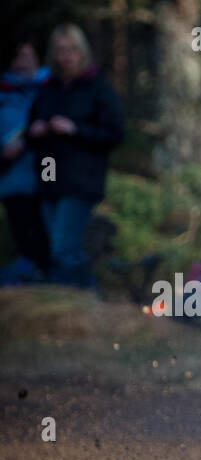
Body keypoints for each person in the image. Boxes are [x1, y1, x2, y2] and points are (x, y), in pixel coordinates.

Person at [26, 24, 123, 289]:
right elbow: (30, 127)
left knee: (64, 247)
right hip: (49, 178)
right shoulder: (47, 88)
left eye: (71, 50)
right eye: (60, 51)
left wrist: (76, 128)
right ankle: (75, 304)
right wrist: (34, 131)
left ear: (81, 52)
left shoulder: (97, 87)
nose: (66, 56)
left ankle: (84, 303)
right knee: (57, 248)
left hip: (81, 180)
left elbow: (115, 133)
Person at [0, 36, 50, 283]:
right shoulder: (3, 93)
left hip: (46, 174)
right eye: (19, 57)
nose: (23, 62)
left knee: (47, 234)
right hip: (11, 177)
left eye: (29, 56)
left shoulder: (51, 86)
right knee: (21, 232)